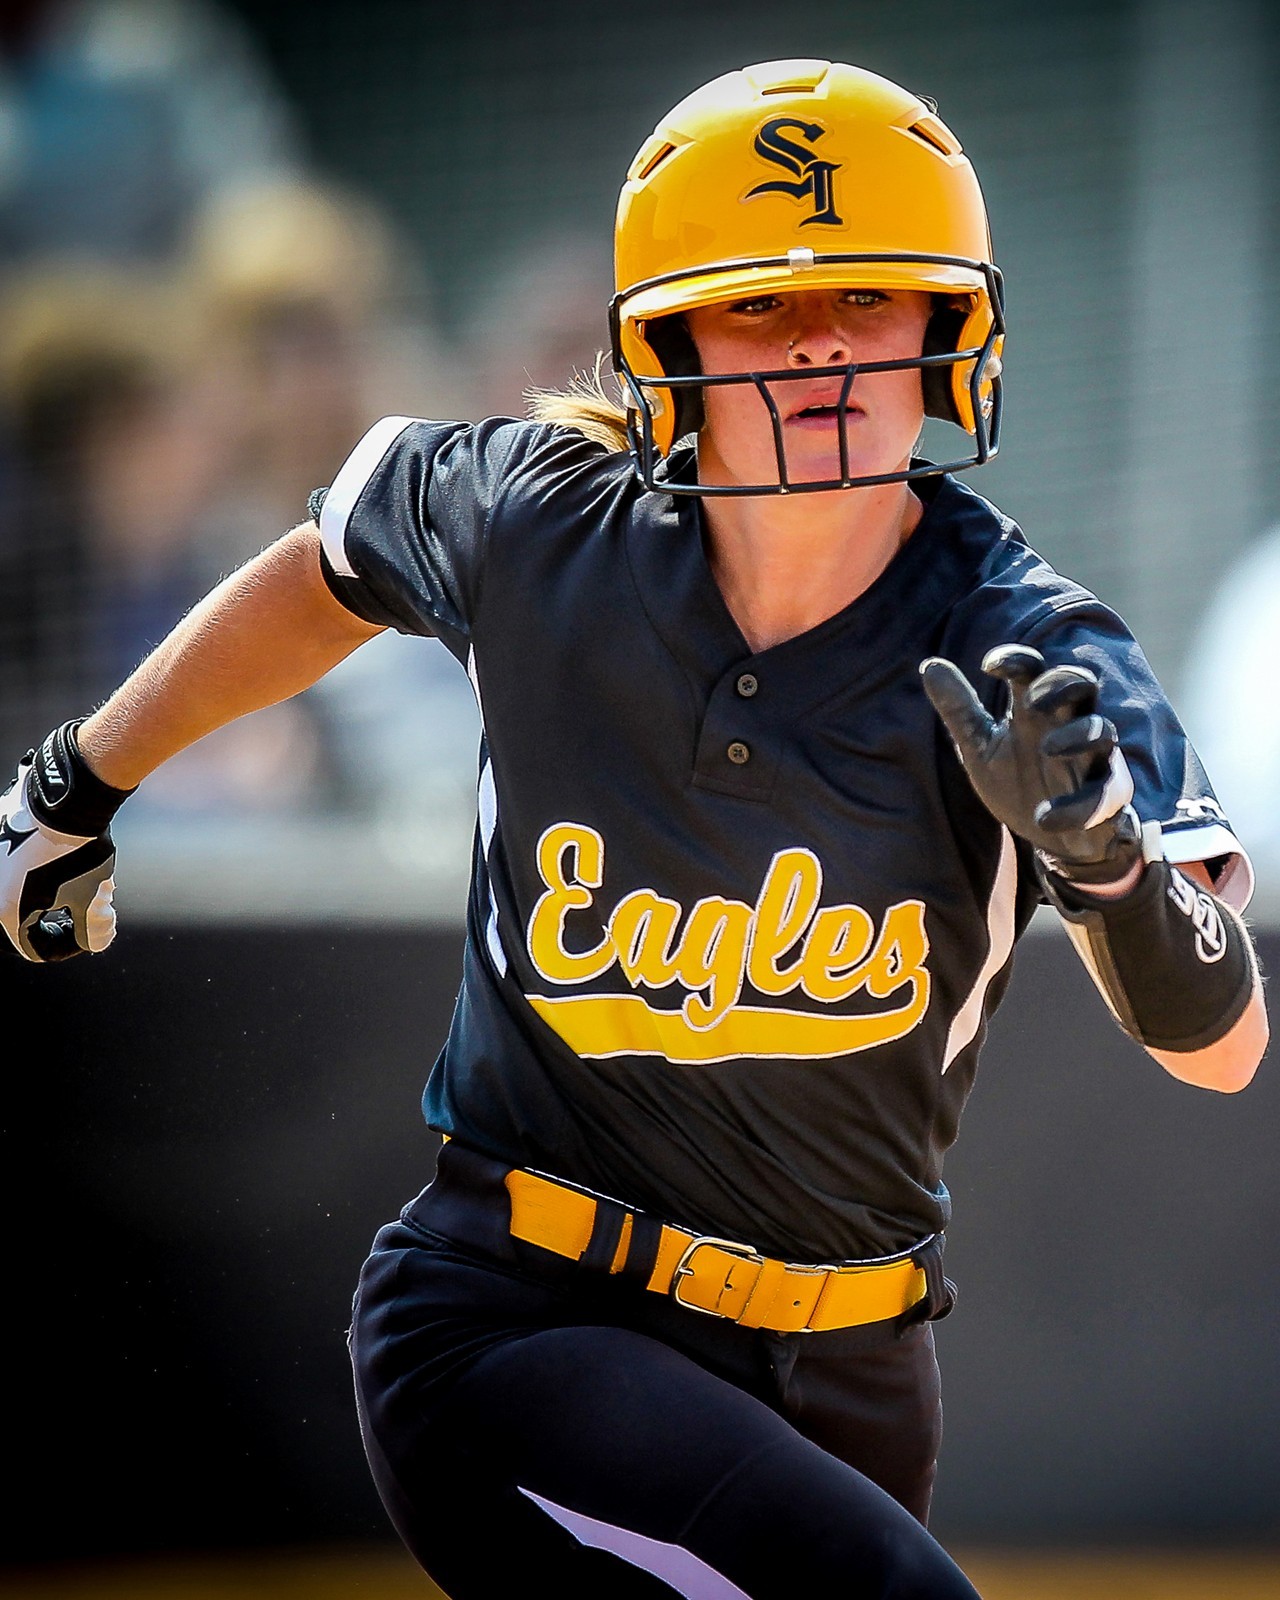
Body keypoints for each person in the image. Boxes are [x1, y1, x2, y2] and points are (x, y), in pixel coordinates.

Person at [0, 58, 1266, 1600]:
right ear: (663, 339)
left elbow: (1223, 1043)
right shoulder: (544, 526)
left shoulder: (1028, 642)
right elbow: (324, 568)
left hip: (858, 1361)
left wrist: (1109, 868)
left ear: (948, 330)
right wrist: (77, 781)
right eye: (758, 305)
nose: (819, 345)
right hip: (522, 1324)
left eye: (870, 296)